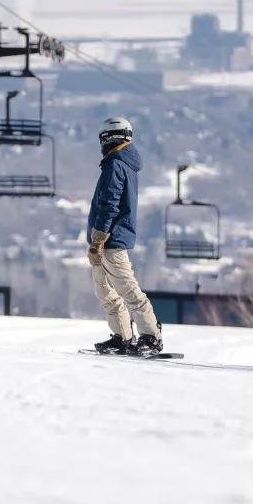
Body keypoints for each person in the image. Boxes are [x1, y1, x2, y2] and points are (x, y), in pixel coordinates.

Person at [88, 116, 162, 355]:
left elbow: (109, 204)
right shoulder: (120, 163)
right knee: (105, 290)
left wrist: (99, 239)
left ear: (108, 137)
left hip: (111, 240)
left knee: (127, 289)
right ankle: (122, 336)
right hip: (105, 240)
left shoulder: (115, 165)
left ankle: (151, 336)